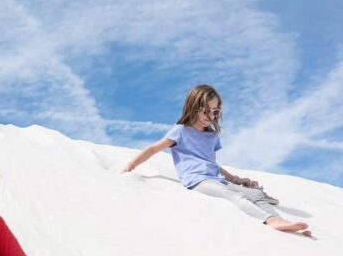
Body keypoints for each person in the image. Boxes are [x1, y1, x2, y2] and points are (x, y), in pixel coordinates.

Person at [121, 85, 311, 235]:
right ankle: (270, 221)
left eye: (215, 112)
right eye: (206, 111)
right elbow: (154, 148)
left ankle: (284, 223)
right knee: (236, 196)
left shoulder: (211, 136)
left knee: (255, 195)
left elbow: (212, 164)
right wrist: (132, 164)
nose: (210, 116)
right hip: (197, 181)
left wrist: (235, 179)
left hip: (215, 179)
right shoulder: (180, 131)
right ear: (193, 108)